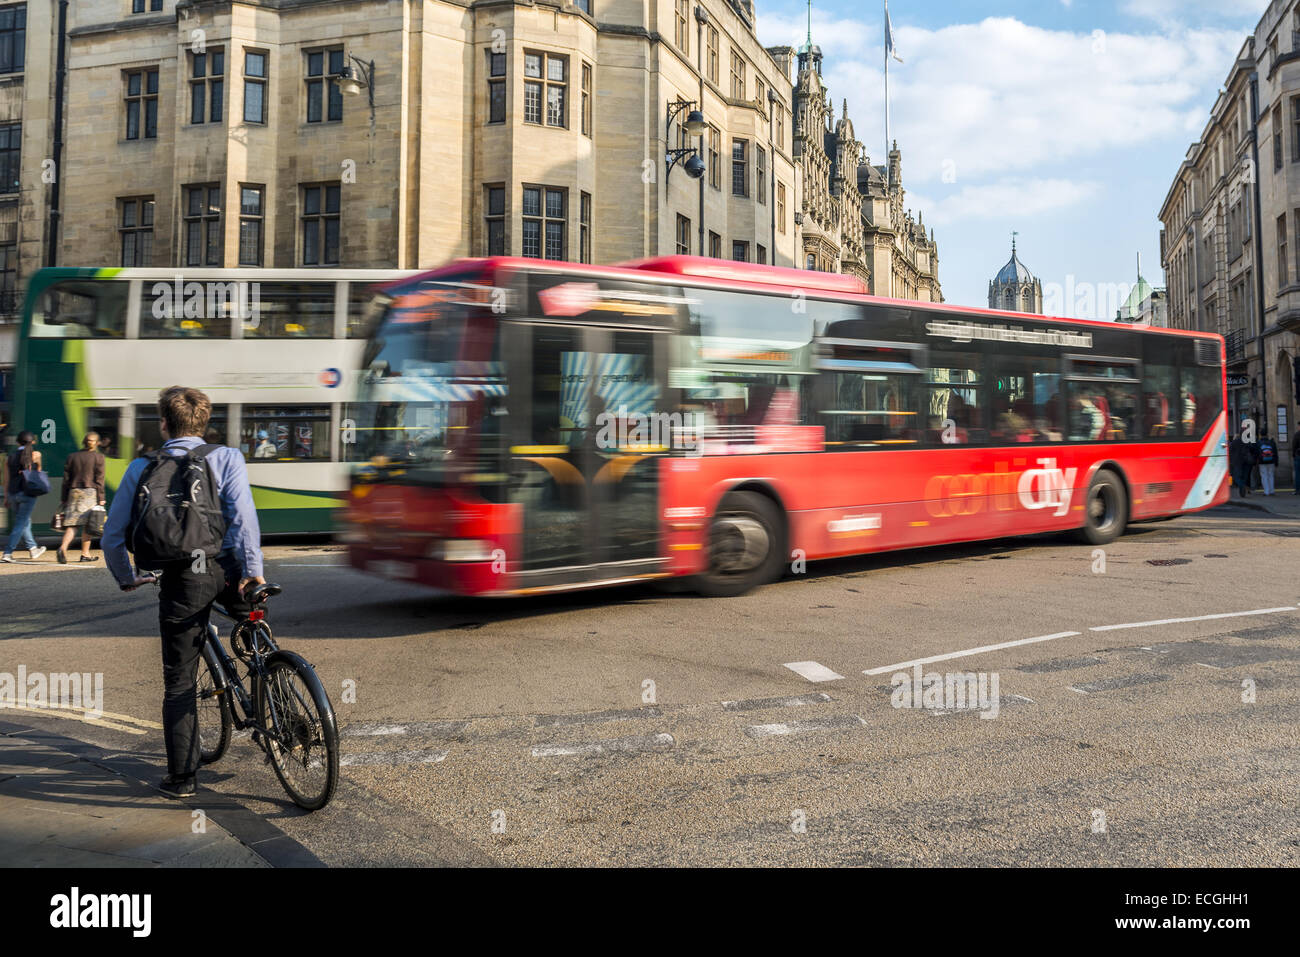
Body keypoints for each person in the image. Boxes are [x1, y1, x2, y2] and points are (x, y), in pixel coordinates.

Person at [101, 386, 265, 799]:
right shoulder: (226, 457)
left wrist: (126, 577)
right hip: (227, 572)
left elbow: (112, 537)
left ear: (163, 424)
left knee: (179, 683)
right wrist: (254, 573)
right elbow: (244, 519)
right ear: (205, 424)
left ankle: (182, 779)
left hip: (181, 579)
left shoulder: (141, 467)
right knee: (253, 628)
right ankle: (273, 702)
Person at [58, 431, 106, 563]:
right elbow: (99, 479)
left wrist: (63, 497)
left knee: (73, 524)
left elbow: (66, 479)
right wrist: (101, 497)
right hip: (90, 493)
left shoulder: (72, 456)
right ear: (96, 443)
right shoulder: (99, 457)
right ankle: (85, 554)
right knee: (89, 525)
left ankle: (63, 548)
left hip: (74, 492)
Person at [2, 430, 49, 562]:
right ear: (32, 441)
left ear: (17, 442)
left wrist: (6, 497)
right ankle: (8, 553)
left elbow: (6, 479)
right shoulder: (36, 455)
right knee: (21, 523)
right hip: (27, 494)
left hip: (13, 493)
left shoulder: (9, 457)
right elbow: (38, 473)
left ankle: (33, 549)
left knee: (24, 522)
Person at [1257, 429, 1279, 496]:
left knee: (1264, 476)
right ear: (1267, 434)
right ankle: (1272, 491)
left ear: (1260, 434)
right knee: (1271, 475)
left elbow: (1257, 453)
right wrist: (1276, 462)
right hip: (1271, 461)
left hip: (1262, 462)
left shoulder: (1258, 443)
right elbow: (1275, 452)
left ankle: (1266, 491)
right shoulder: (1272, 442)